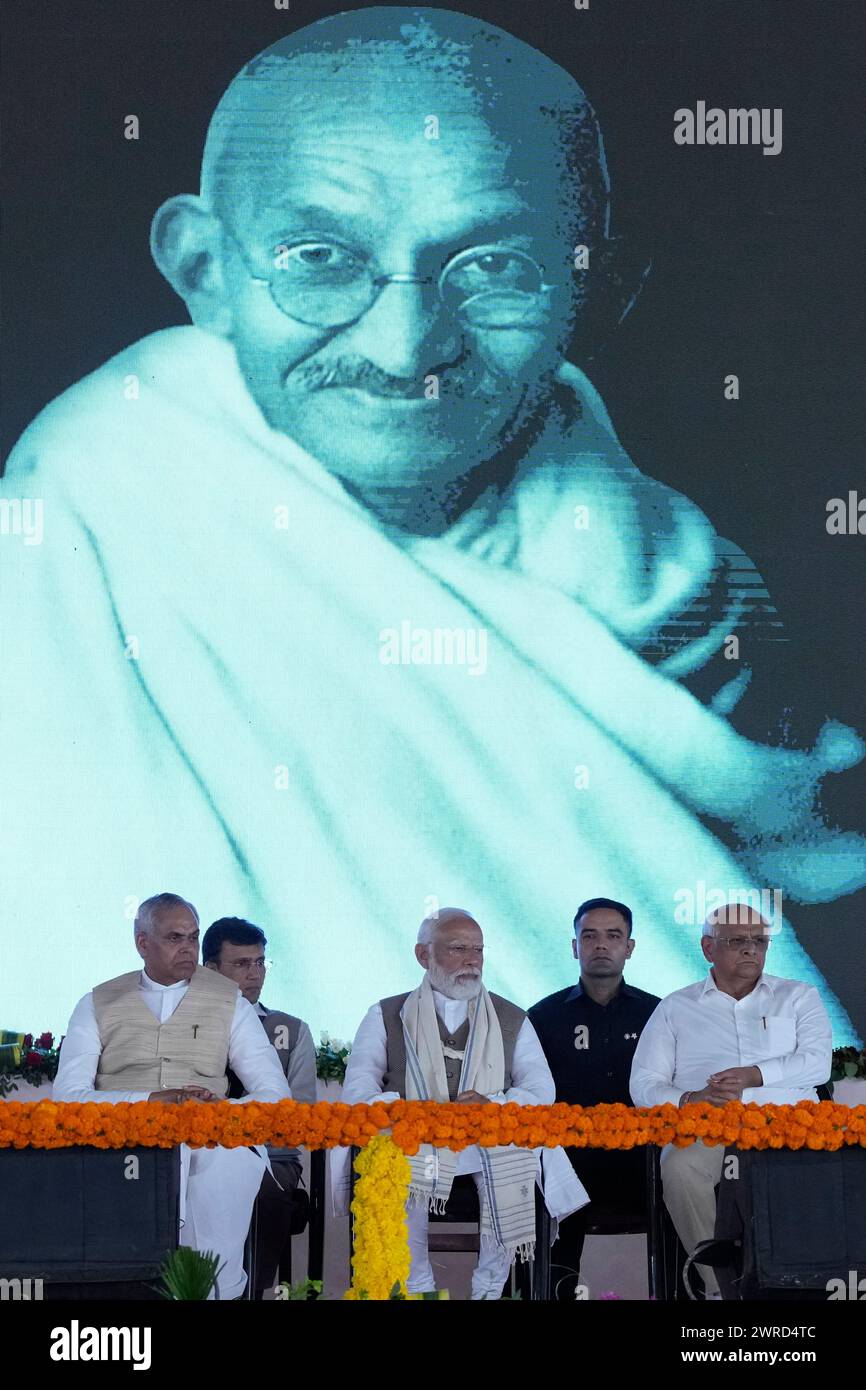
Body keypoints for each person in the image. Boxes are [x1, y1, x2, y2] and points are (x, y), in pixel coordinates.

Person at [3, 8, 864, 1042]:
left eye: (492, 266)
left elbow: (797, 816)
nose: (406, 342)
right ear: (203, 271)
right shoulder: (100, 491)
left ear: (599, 287)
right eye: (319, 256)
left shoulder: (654, 559)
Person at [337, 907, 588, 1299]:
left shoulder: (511, 1018)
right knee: (397, 1155)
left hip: (483, 1141)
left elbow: (541, 1090)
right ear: (424, 955)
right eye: (458, 949)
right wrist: (408, 1111)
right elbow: (358, 1092)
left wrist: (494, 1105)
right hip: (415, 1140)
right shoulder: (386, 1014)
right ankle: (416, 1289)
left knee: (510, 1149)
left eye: (478, 950)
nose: (472, 961)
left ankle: (490, 1291)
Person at [53, 893, 291, 1300]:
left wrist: (223, 1111)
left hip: (211, 1138)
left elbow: (274, 1094)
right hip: (121, 1139)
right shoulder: (97, 1001)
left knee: (221, 1164)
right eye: (175, 937)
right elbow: (68, 1098)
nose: (188, 948)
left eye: (194, 938)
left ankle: (215, 1291)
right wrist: (148, 1100)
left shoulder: (228, 1000)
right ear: (142, 943)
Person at [629, 904, 833, 1298]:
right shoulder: (675, 1007)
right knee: (680, 1167)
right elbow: (644, 1083)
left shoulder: (798, 997)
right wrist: (690, 1098)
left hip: (788, 1125)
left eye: (759, 941)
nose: (751, 950)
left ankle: (802, 1287)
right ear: (708, 948)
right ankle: (721, 1290)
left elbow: (818, 1065)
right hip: (710, 1125)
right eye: (738, 941)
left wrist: (755, 1076)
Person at [528, 897, 660, 1298]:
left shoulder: (659, 1014)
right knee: (547, 1183)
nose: (601, 945)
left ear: (629, 947)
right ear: (574, 947)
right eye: (590, 936)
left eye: (613, 936)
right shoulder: (543, 1017)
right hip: (569, 1160)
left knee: (678, 1177)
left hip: (642, 1159)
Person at [203, 915, 317, 1296]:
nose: (255, 973)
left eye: (260, 962)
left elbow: (297, 1119)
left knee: (263, 1189)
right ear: (211, 969)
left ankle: (251, 1292)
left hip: (272, 1156)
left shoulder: (292, 1030)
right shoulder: (186, 1024)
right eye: (241, 964)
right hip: (196, 1152)